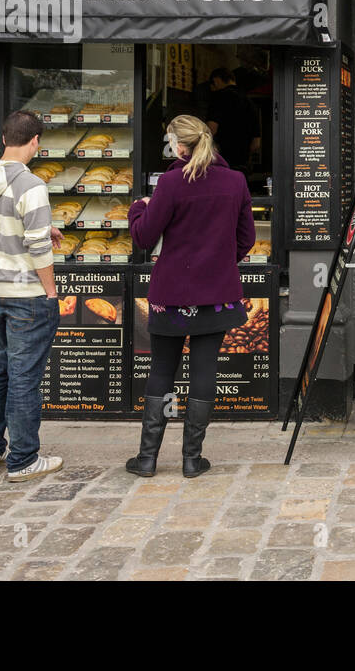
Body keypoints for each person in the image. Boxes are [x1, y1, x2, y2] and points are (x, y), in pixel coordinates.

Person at [127, 115, 255, 478]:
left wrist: (139, 207)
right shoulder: (235, 181)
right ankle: (191, 459)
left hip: (171, 295)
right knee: (204, 371)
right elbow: (245, 238)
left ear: (179, 146)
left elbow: (144, 236)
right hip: (216, 294)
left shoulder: (170, 182)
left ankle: (148, 458)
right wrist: (218, 262)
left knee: (163, 371)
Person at [0, 109, 65, 483]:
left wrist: (45, 224)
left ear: (4, 139)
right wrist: (51, 290)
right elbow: (38, 246)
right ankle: (24, 458)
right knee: (25, 377)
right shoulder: (32, 186)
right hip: (27, 293)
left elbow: (4, 223)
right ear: (36, 141)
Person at [205, 67, 257, 174]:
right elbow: (256, 143)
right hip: (242, 166)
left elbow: (211, 130)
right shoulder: (250, 102)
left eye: (212, 86)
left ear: (216, 80)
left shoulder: (219, 98)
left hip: (222, 163)